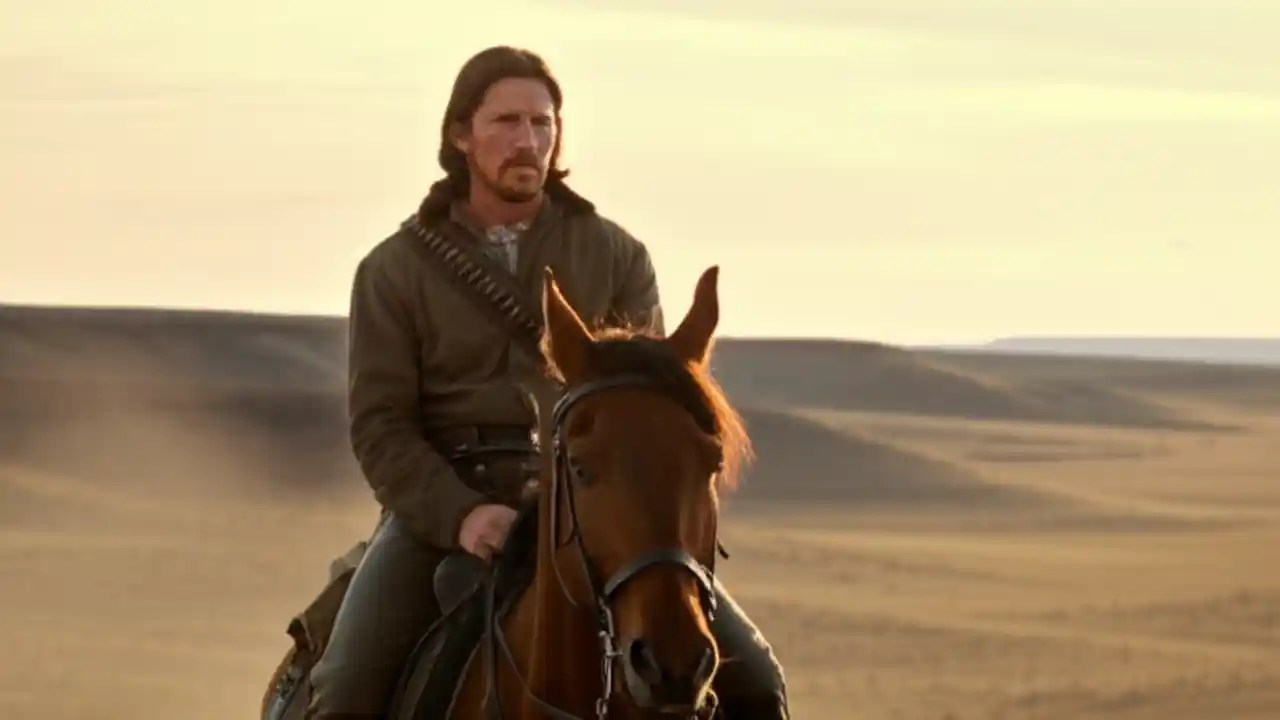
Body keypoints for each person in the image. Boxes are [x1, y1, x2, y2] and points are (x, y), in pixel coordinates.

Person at [304, 45, 790, 720]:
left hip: (593, 502)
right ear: (459, 136)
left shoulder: (616, 254)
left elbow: (648, 414)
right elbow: (381, 427)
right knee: (346, 690)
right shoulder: (393, 270)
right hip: (446, 507)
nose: (527, 140)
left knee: (758, 686)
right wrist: (462, 513)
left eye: (542, 122)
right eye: (506, 122)